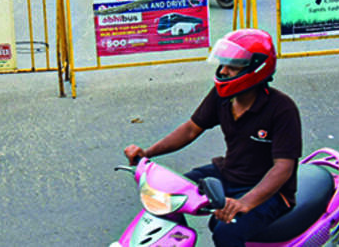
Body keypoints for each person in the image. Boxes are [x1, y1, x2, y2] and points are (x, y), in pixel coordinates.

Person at [124, 29, 301, 247]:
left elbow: (283, 168)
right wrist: (147, 153)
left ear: (256, 68)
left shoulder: (281, 109)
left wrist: (245, 203)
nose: (224, 71)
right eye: (223, 64)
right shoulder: (223, 97)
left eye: (232, 66)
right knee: (169, 197)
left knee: (226, 232)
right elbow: (191, 129)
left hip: (270, 193)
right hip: (229, 173)